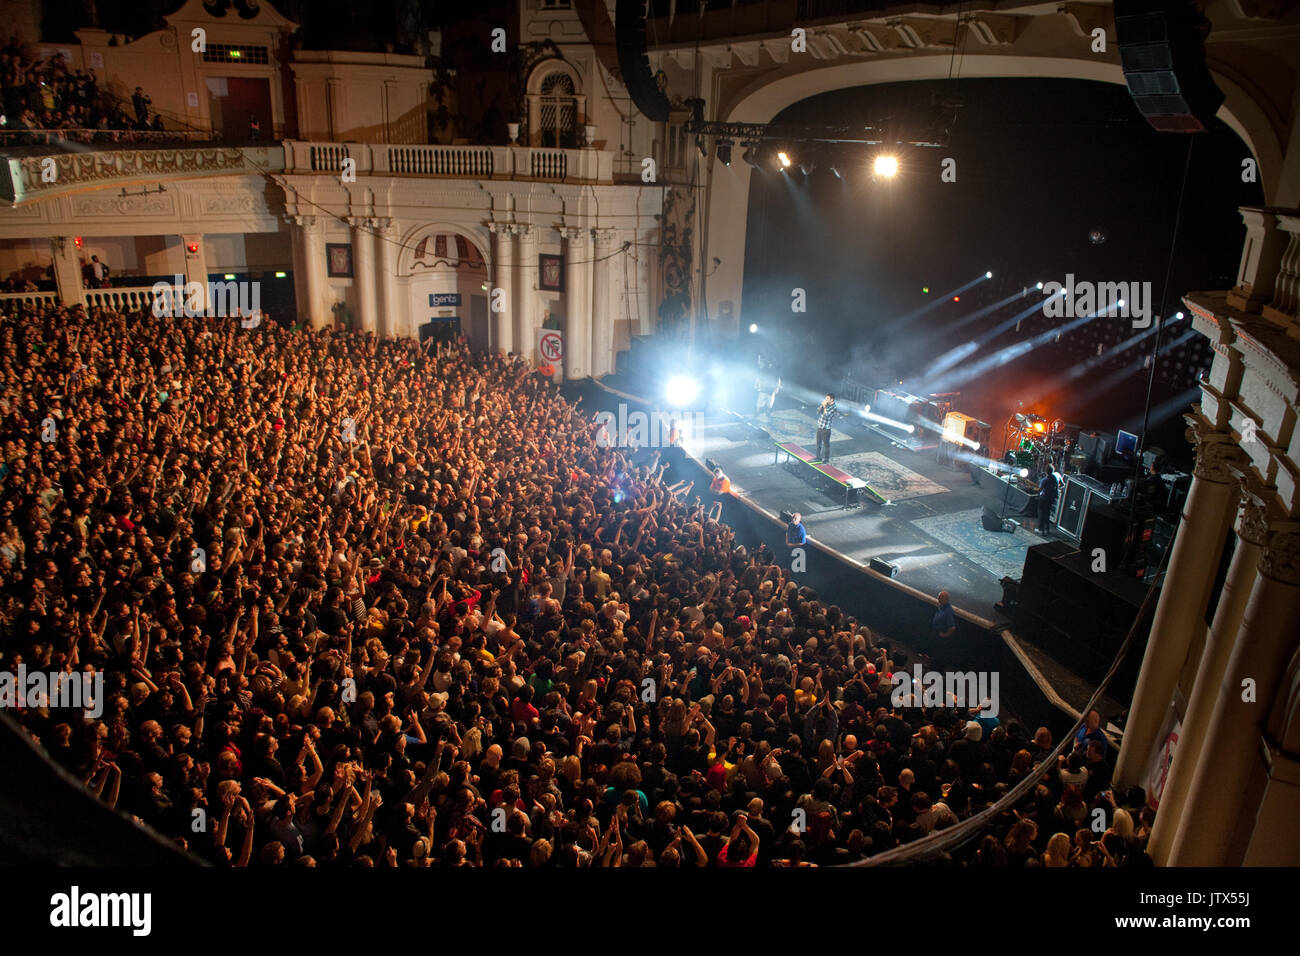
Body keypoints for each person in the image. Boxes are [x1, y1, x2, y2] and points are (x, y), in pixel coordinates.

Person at [814, 393, 837, 463]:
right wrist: (822, 406)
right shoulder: (825, 404)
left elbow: (826, 415)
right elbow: (818, 411)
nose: (826, 399)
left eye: (827, 398)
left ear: (832, 399)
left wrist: (824, 407)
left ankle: (826, 459)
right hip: (820, 426)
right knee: (818, 443)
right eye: (826, 398)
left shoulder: (834, 407)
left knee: (826, 445)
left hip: (826, 428)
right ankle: (818, 457)